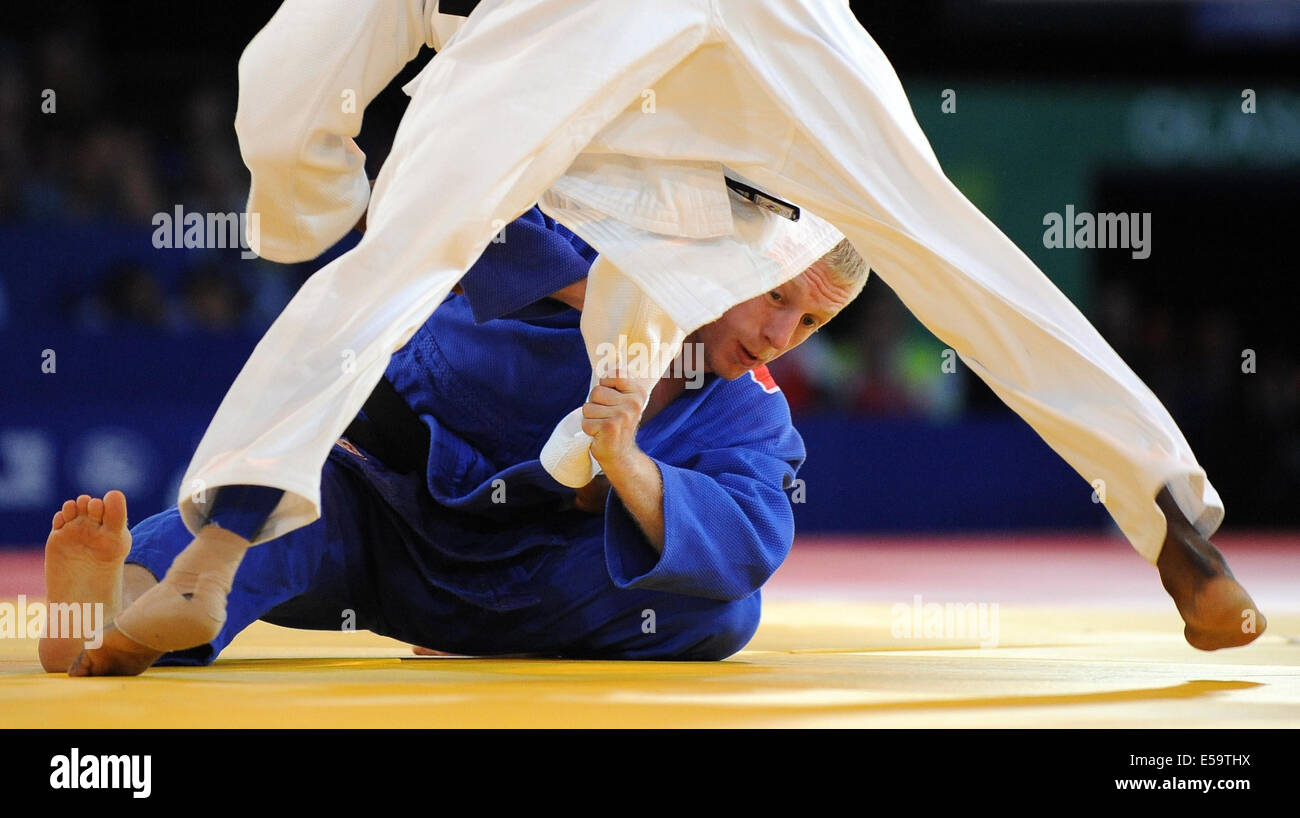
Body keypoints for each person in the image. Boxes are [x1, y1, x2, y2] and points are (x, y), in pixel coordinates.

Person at [71, 0, 1264, 670]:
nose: (791, 335)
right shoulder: (673, 300)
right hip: (777, 47)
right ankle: (1165, 504)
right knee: (942, 238)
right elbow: (630, 307)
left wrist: (311, 208)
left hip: (584, 44)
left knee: (395, 256)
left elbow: (284, 97)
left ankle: (213, 557)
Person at [39, 206, 867, 673]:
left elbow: (755, 534)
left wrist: (630, 466)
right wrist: (593, 292)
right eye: (774, 296)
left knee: (724, 615)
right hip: (383, 524)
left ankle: (478, 635)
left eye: (814, 319)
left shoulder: (750, 411)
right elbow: (481, 206)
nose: (780, 332)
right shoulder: (608, 257)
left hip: (539, 583)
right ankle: (97, 611)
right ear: (733, 263)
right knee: (284, 515)